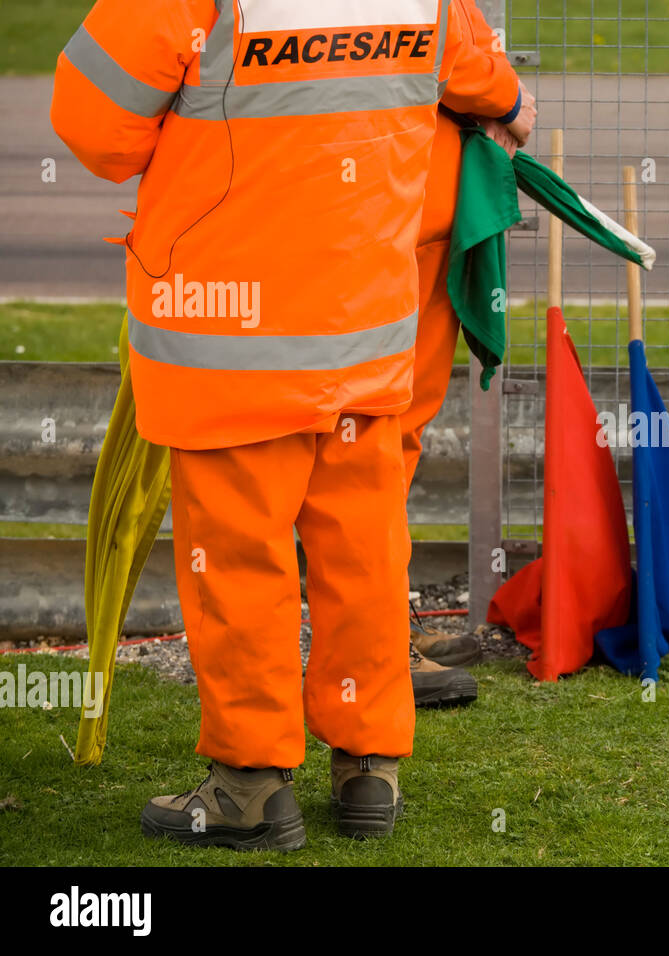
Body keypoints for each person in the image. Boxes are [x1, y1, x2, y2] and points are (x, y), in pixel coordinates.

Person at [51, 0, 534, 849]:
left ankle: (250, 784)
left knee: (238, 557)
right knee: (363, 548)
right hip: (364, 331)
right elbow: (492, 88)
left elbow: (96, 126)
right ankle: (368, 769)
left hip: (231, 339)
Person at [401, 0, 536, 708]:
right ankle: (370, 654)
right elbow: (442, 51)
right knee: (375, 443)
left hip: (403, 234)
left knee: (389, 438)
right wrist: (507, 98)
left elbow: (459, 42)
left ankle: (377, 634)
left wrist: (492, 93)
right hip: (392, 236)